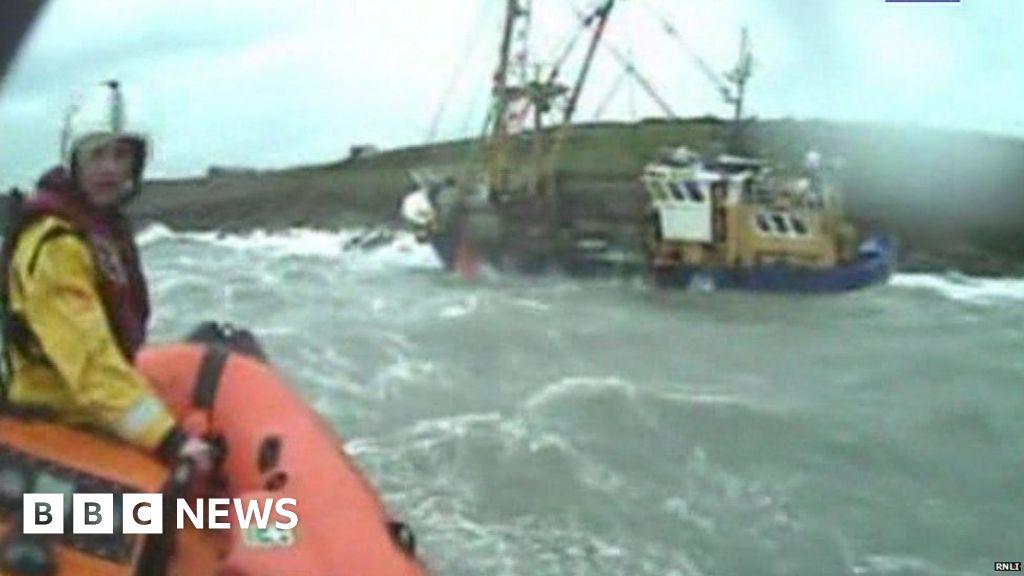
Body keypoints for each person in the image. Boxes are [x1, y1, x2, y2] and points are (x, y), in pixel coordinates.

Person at [0, 80, 212, 472]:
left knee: (211, 507)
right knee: (179, 517)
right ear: (75, 160)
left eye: (121, 155)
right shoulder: (55, 245)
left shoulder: (100, 229)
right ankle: (267, 532)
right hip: (51, 420)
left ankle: (268, 531)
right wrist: (170, 439)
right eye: (97, 154)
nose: (110, 169)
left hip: (85, 413)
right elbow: (90, 364)